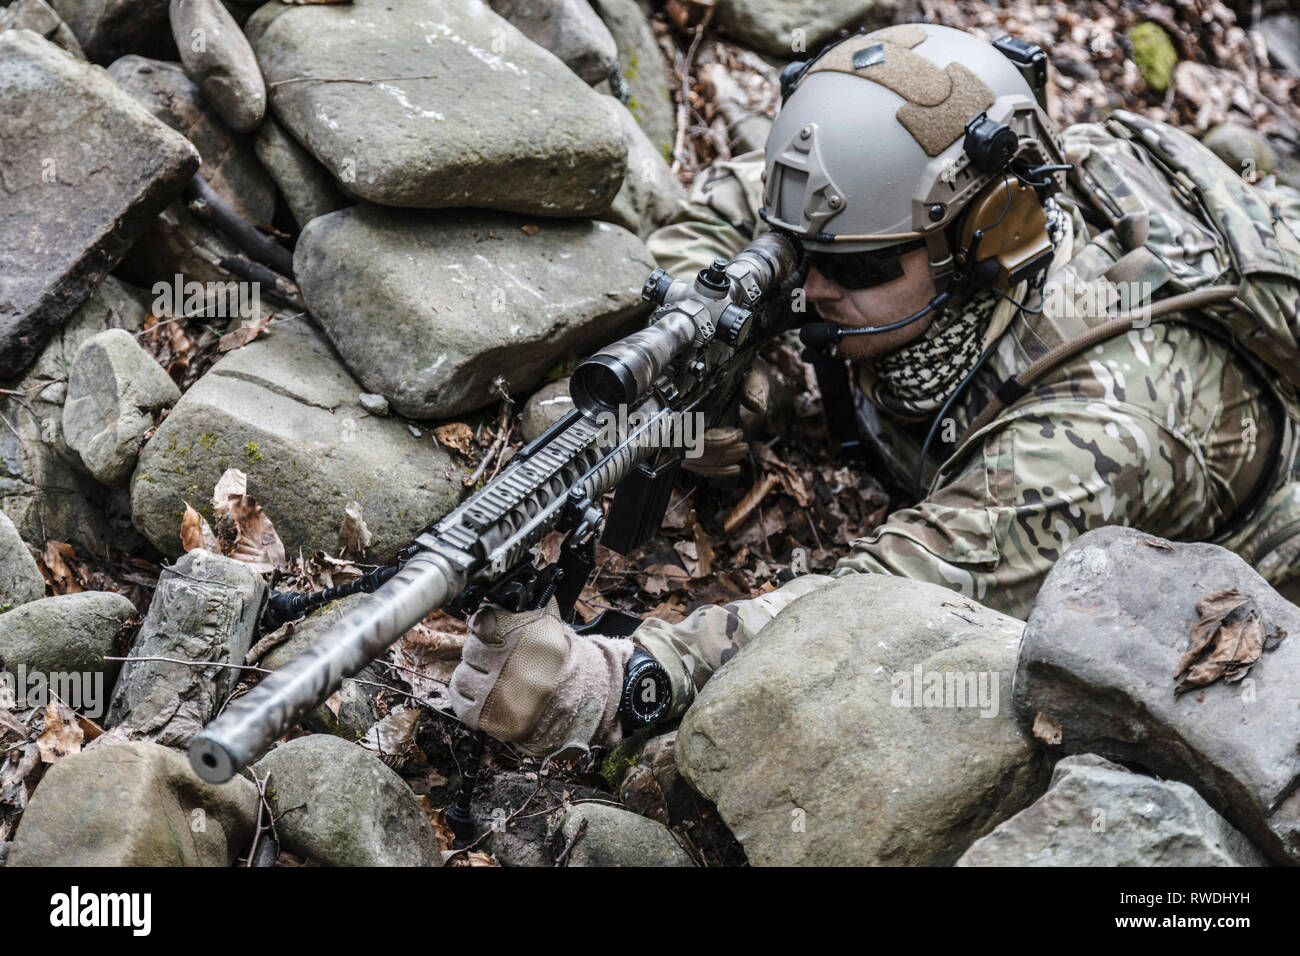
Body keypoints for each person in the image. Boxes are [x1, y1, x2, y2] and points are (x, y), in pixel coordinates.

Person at [448, 23, 1300, 760]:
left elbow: (895, 599)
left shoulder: (1099, 426)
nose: (811, 284)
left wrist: (625, 678)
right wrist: (720, 359)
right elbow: (735, 218)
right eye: (798, 253)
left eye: (852, 268)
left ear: (983, 241)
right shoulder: (891, 200)